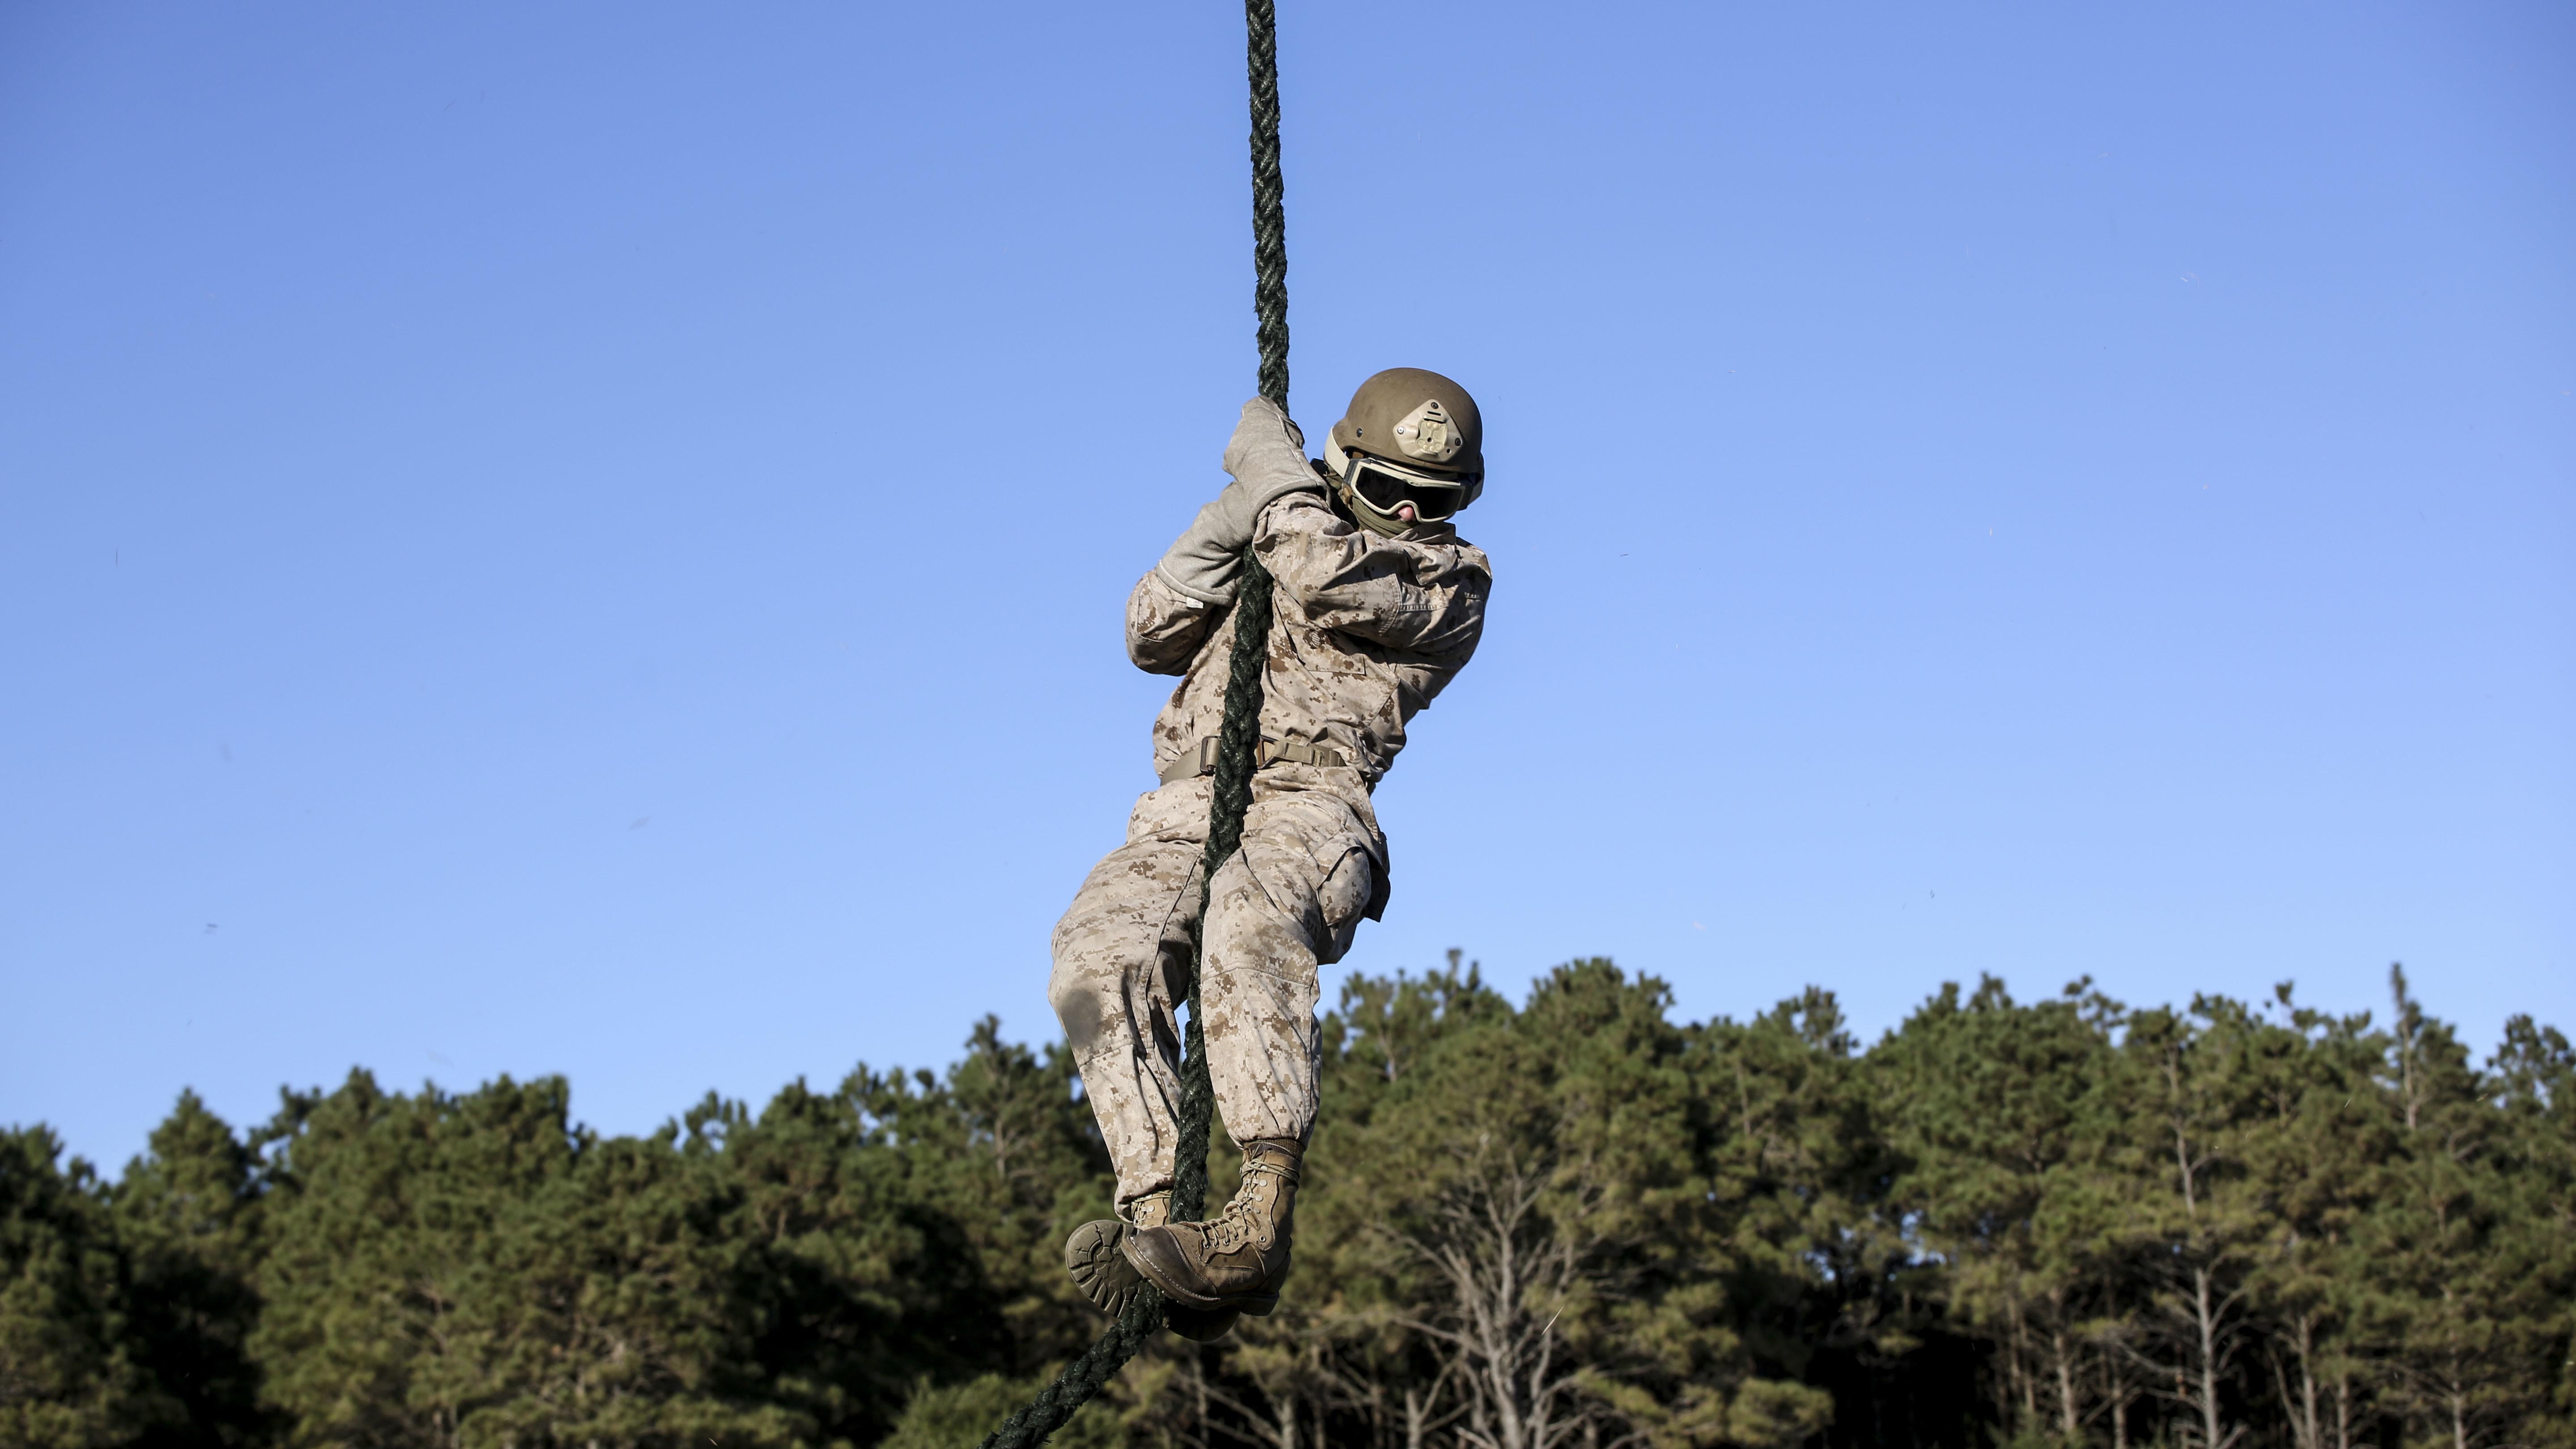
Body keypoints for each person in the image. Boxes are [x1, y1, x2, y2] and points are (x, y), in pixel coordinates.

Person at [1048, 368, 1492, 1340]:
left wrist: (1273, 481)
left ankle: (1257, 1223)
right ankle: (1163, 1225)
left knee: (1248, 927)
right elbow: (1148, 632)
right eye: (1388, 493)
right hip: (1186, 805)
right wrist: (1232, 513)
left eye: (1438, 500)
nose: (1413, 513)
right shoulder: (1280, 524)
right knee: (1092, 962)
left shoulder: (1447, 583)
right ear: (1345, 470)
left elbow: (1324, 574)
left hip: (1310, 806)